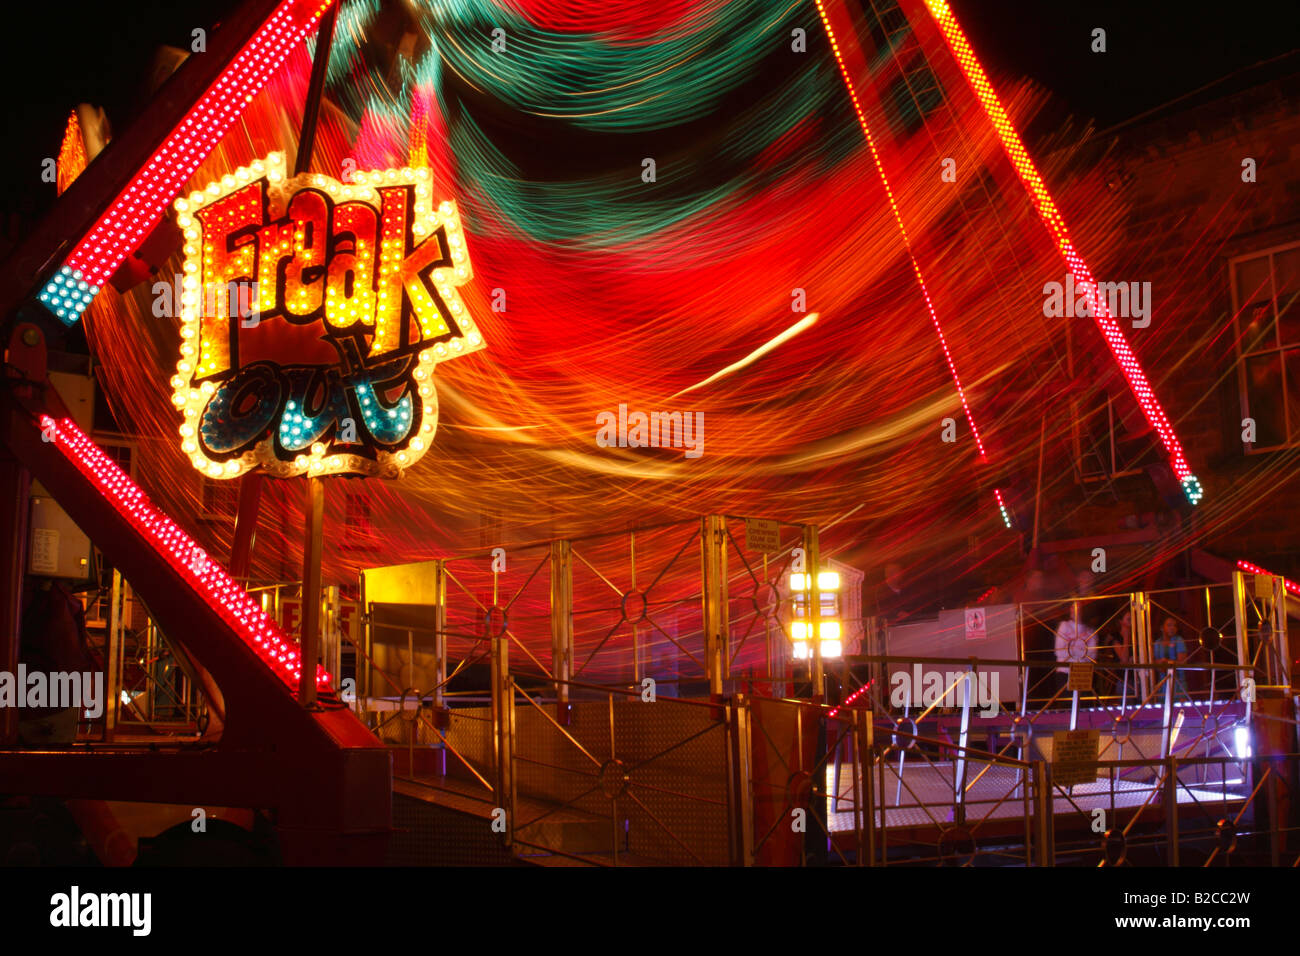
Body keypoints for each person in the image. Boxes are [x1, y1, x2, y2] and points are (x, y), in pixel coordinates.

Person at [1151, 616, 1189, 700]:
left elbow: (1182, 661)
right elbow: (1155, 661)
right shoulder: (1157, 643)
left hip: (1178, 683)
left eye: (1174, 626)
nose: (1172, 628)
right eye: (1169, 625)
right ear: (1162, 628)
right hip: (1163, 684)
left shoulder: (1179, 640)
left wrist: (1166, 662)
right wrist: (1161, 664)